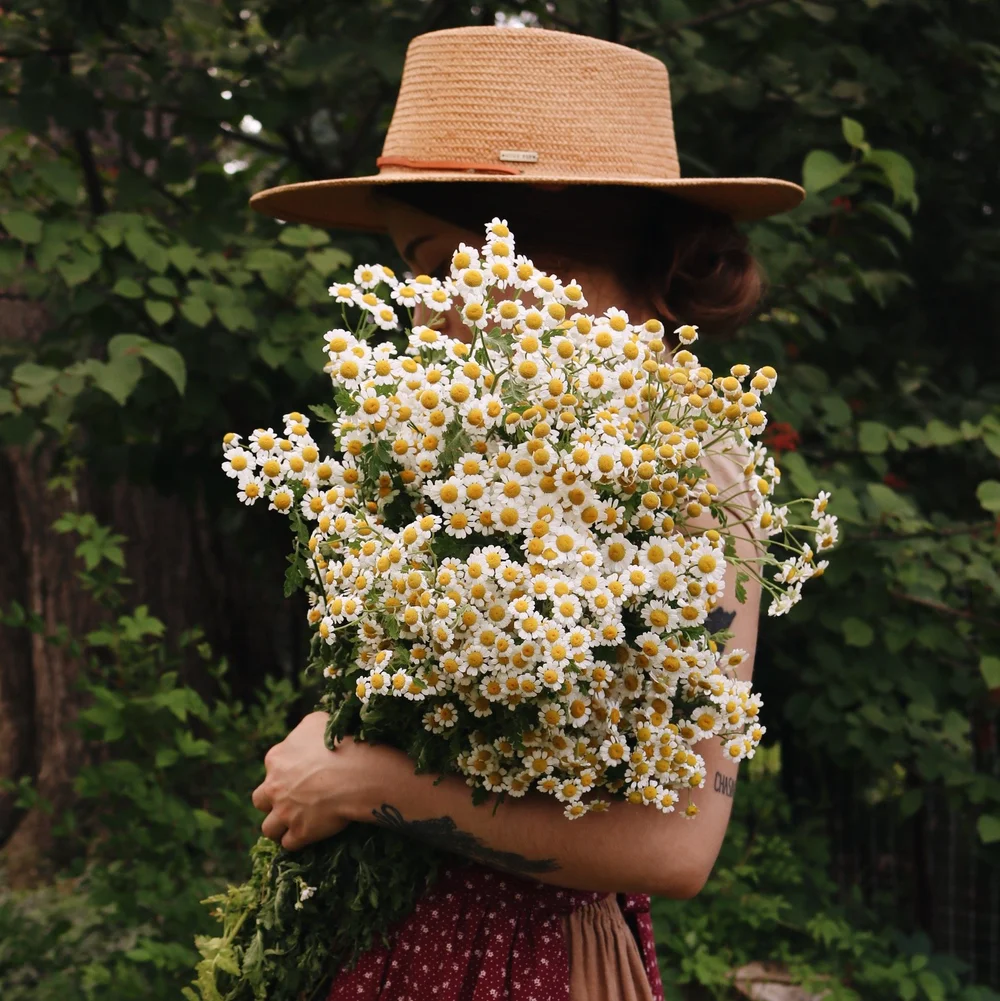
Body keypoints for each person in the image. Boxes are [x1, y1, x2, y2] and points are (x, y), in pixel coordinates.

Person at [247, 24, 804, 1001]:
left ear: (539, 239)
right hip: (390, 942)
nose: (420, 311)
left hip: (529, 964)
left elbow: (673, 846)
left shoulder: (693, 468)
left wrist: (365, 782)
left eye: (433, 265)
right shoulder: (468, 434)